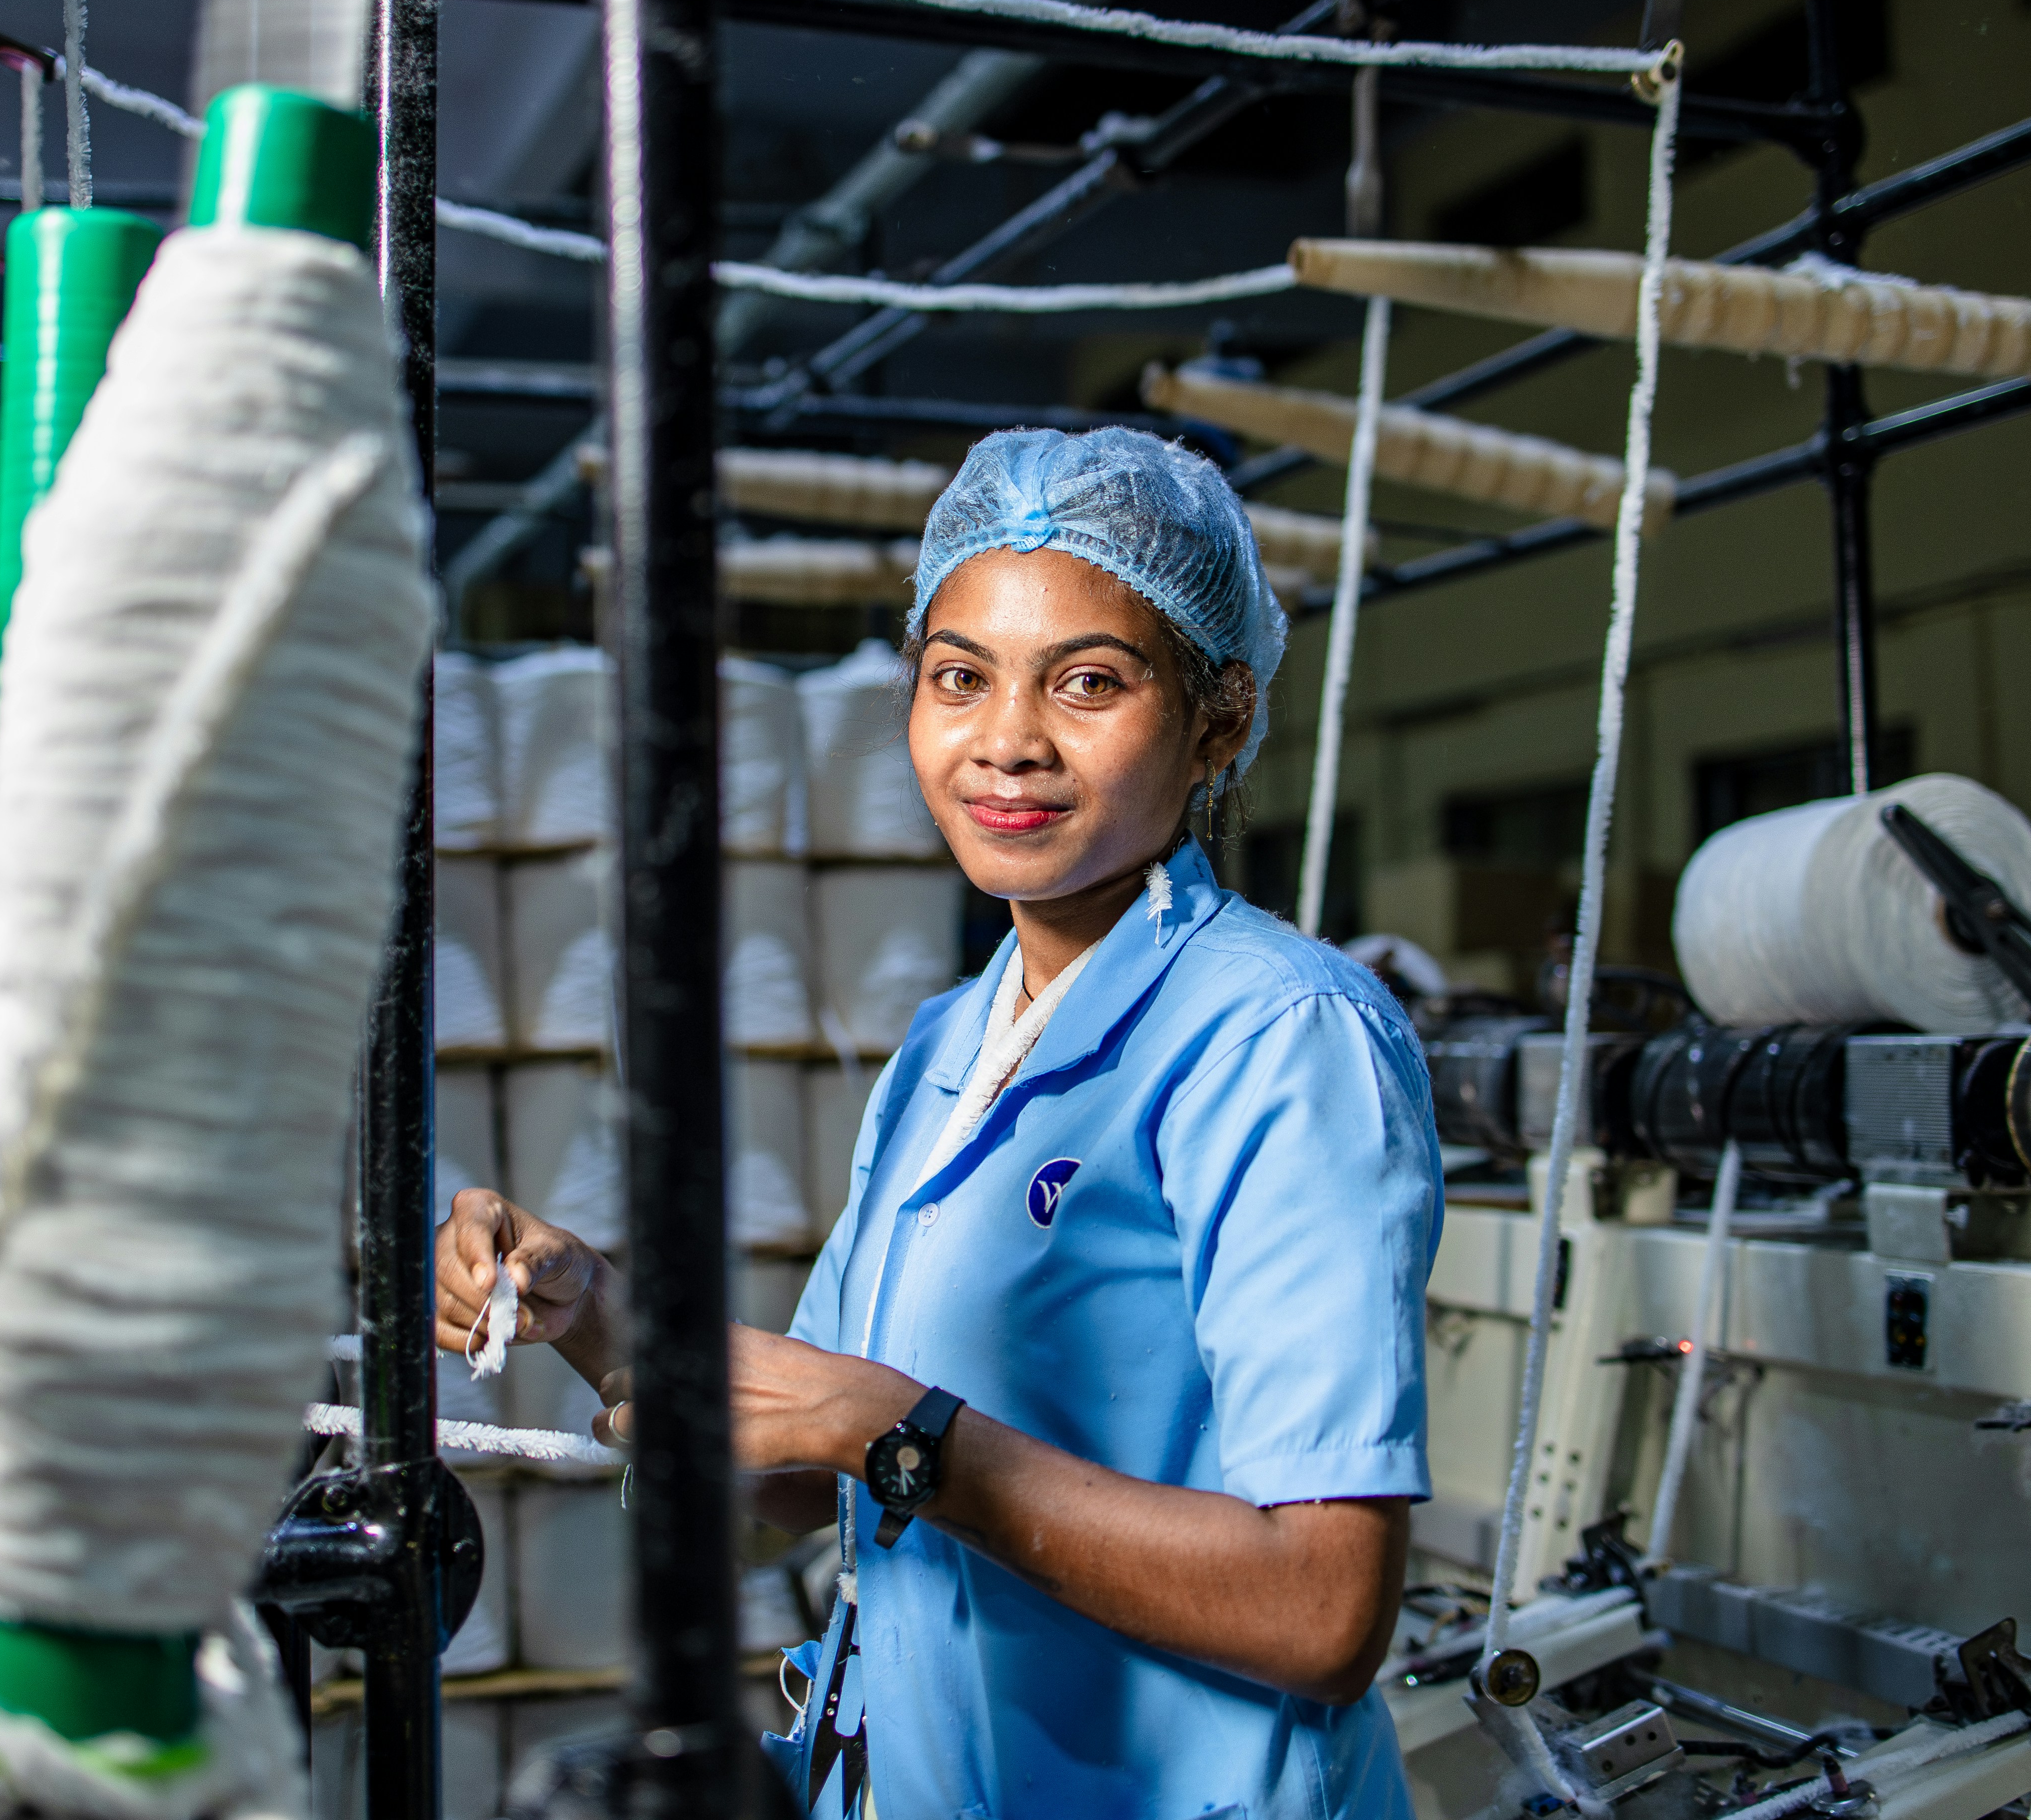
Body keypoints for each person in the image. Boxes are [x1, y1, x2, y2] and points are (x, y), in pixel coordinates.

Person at [437, 427, 1442, 1818]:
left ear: (1218, 721)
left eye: (1089, 682)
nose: (1008, 741)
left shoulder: (1279, 1038)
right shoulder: (948, 1046)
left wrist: (898, 1433)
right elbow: (805, 1478)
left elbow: (1323, 1613)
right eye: (960, 677)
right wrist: (590, 1308)